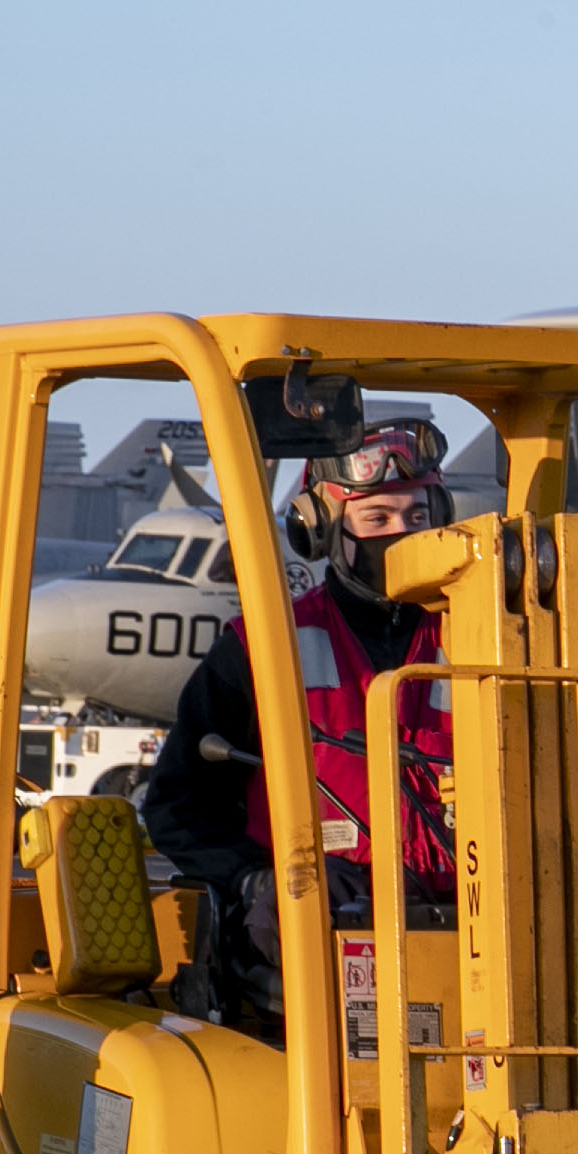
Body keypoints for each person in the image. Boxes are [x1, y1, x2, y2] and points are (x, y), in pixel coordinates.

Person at [142, 423, 456, 1005]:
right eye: (378, 519)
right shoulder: (263, 646)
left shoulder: (483, 637)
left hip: (471, 933)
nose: (403, 536)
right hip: (314, 946)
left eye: (418, 518)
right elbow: (177, 804)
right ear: (324, 529)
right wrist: (256, 881)